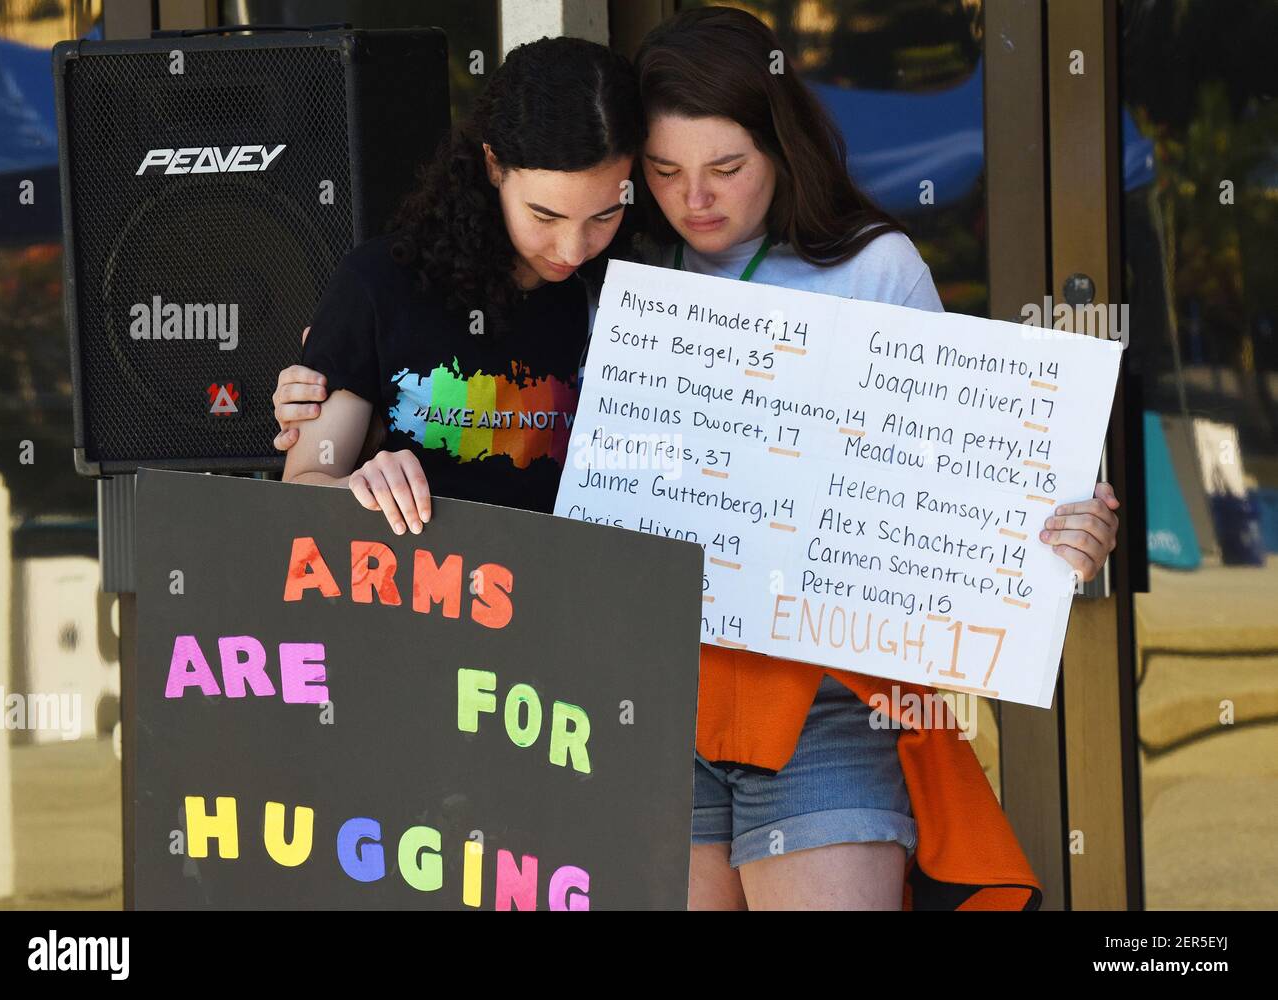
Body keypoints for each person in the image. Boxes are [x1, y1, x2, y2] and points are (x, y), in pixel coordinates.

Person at [275, 7, 1121, 911]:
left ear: (780, 147)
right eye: (666, 174)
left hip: (811, 694)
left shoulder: (847, 269)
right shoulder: (604, 271)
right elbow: (320, 469)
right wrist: (326, 433)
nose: (695, 199)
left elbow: (944, 480)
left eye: (726, 168)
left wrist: (1047, 529)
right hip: (615, 692)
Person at [279, 35, 642, 528]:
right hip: (412, 593)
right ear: (493, 165)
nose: (572, 250)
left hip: (575, 593)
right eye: (544, 215)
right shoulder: (379, 285)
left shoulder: (632, 295)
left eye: (604, 216)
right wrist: (358, 486)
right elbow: (301, 492)